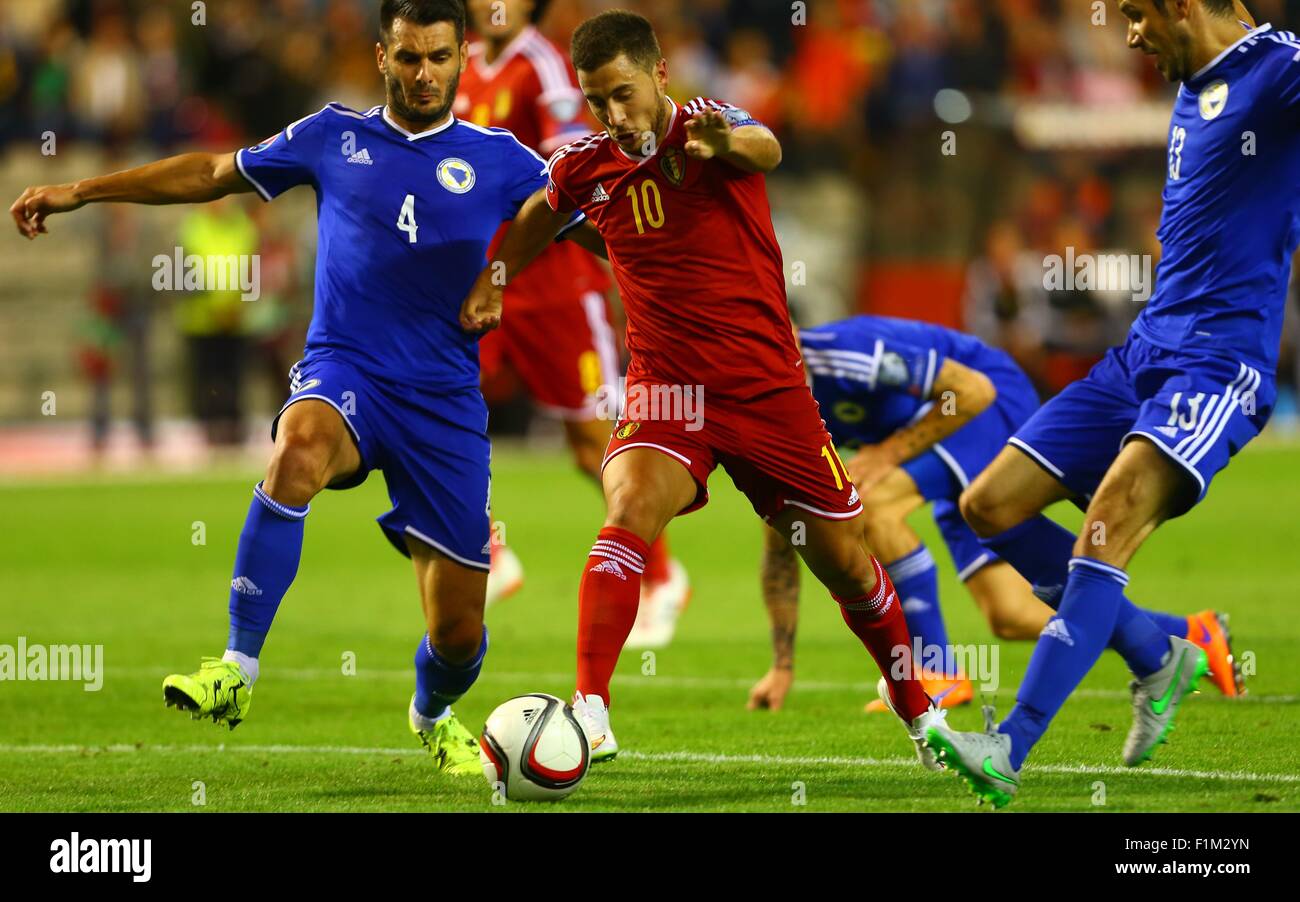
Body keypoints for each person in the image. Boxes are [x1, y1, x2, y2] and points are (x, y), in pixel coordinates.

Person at [10, 0, 596, 778]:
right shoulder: (332, 135)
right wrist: (83, 189)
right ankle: (235, 668)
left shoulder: (502, 158)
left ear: (461, 59)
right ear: (381, 57)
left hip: (444, 403)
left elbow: (582, 217)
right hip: (345, 370)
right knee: (300, 446)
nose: (425, 73)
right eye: (409, 57)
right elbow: (215, 172)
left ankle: (432, 712)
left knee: (458, 635)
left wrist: (628, 247)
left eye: (439, 58)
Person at [459, 10, 944, 767]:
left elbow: (766, 145)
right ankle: (591, 711)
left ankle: (923, 721)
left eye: (623, 93)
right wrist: (496, 280)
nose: (614, 116)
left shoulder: (709, 126)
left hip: (767, 391)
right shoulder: (586, 165)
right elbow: (535, 217)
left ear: (659, 74)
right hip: (667, 389)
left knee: (845, 562)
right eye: (596, 102)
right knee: (626, 509)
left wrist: (723, 141)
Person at [925, 1, 1277, 807]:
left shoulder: (1278, 69)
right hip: (1142, 353)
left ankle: (1008, 745)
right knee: (987, 503)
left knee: (1107, 522)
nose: (1126, 34)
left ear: (1184, 5)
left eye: (1135, 14)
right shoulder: (1194, 87)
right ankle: (1162, 652)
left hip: (1218, 367)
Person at [746, 315, 1241, 715]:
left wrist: (887, 454)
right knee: (1010, 614)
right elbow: (785, 532)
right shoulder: (775, 411)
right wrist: (782, 665)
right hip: (932, 440)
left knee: (874, 505)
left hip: (986, 405)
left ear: (787, 335)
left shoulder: (849, 356)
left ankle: (937, 673)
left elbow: (972, 391)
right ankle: (1191, 634)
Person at [458, 0, 689, 636]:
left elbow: (571, 171)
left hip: (558, 285)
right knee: (441, 404)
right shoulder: (465, 65)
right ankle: (484, 549)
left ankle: (663, 573)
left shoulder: (546, 66)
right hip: (489, 271)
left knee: (593, 445)